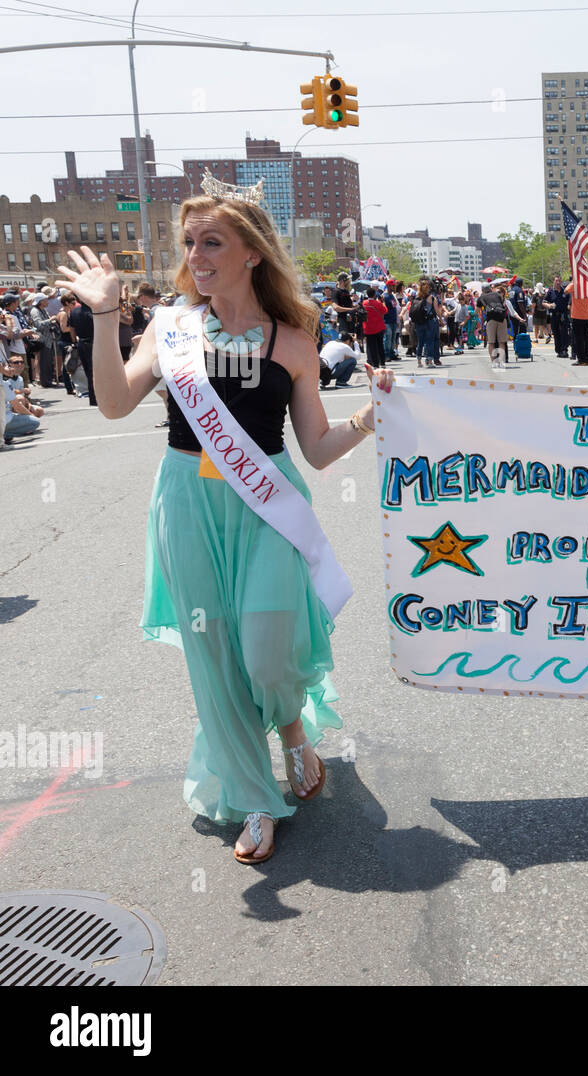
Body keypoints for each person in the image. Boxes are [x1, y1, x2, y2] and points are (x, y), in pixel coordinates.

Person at [54, 196, 397, 866]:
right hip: (187, 500)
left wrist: (368, 418)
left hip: (266, 502)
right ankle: (254, 799)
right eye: (189, 243)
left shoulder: (293, 340)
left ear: (251, 252)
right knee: (214, 661)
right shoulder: (172, 328)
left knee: (267, 652)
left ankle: (292, 726)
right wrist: (103, 317)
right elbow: (116, 404)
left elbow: (318, 448)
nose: (196, 257)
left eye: (212, 242)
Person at [565, 277, 588, 366]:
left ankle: (581, 360)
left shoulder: (575, 284)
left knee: (579, 339)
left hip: (577, 315)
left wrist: (573, 281)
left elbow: (565, 290)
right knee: (586, 339)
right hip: (587, 315)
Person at [361, 285, 388, 369]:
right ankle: (382, 362)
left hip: (368, 328)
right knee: (380, 345)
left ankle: (375, 364)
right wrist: (383, 302)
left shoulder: (364, 303)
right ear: (374, 294)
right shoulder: (377, 303)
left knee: (372, 346)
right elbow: (385, 311)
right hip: (379, 327)